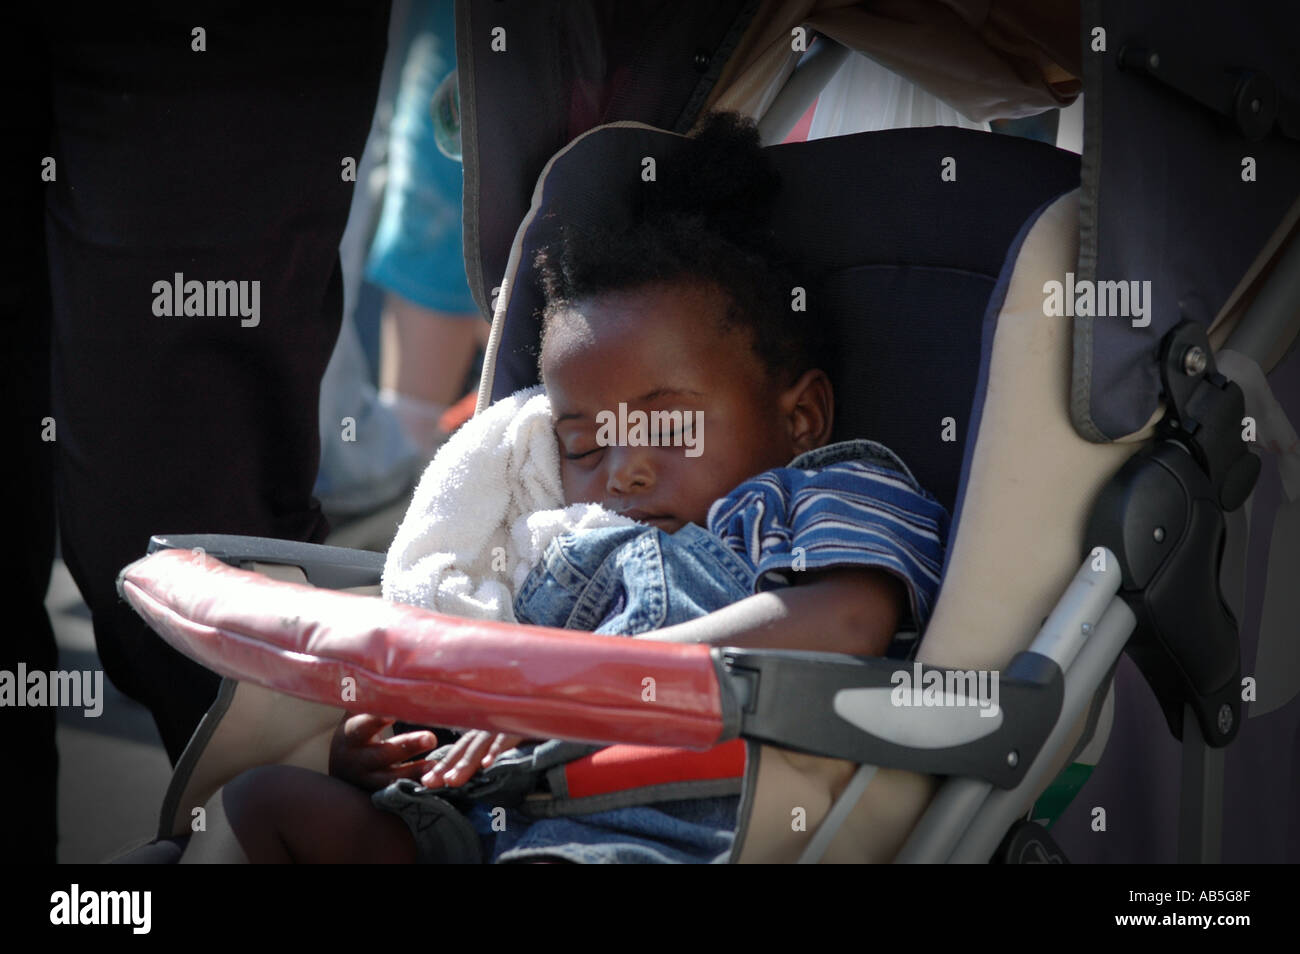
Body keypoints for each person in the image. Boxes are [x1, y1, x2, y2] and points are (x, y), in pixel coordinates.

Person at [176, 113, 949, 864]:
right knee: (265, 803)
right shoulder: (549, 534)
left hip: (650, 830)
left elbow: (846, 622)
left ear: (803, 415)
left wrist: (584, 686)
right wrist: (381, 748)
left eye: (668, 426)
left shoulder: (822, 491)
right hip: (476, 817)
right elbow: (463, 651)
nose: (624, 470)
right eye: (582, 442)